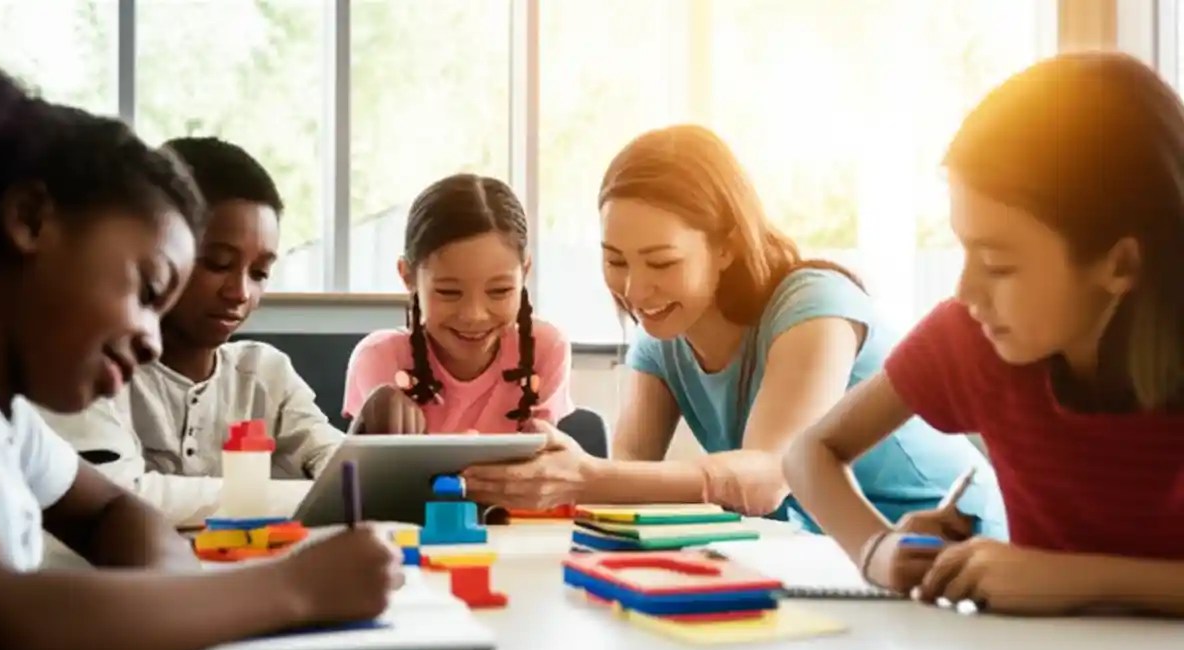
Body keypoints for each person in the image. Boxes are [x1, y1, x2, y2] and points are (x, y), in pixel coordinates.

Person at [0, 54, 398, 650]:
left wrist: (170, 604)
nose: (152, 337)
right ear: (30, 220)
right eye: (145, 290)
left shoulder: (2, 419)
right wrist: (293, 589)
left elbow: (115, 510)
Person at [784, 52, 1184, 616]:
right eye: (963, 248)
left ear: (1119, 266)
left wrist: (1074, 579)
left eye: (998, 264)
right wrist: (877, 549)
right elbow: (809, 451)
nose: (966, 289)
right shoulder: (972, 338)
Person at [462, 125, 1003, 538]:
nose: (636, 290)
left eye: (661, 262)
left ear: (726, 246)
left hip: (949, 538)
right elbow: (626, 475)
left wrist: (586, 478)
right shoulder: (662, 335)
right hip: (829, 557)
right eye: (615, 260)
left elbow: (770, 477)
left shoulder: (815, 305)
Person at [41, 136, 344, 527]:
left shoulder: (264, 372)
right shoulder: (96, 368)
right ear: (159, 250)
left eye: (259, 273)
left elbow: (338, 463)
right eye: (217, 263)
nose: (239, 292)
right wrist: (316, 494)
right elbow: (122, 495)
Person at [343, 173, 575, 435]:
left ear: (525, 272)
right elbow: (365, 470)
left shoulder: (542, 349)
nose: (474, 315)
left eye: (499, 291)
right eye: (449, 292)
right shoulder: (380, 359)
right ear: (408, 276)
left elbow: (544, 461)